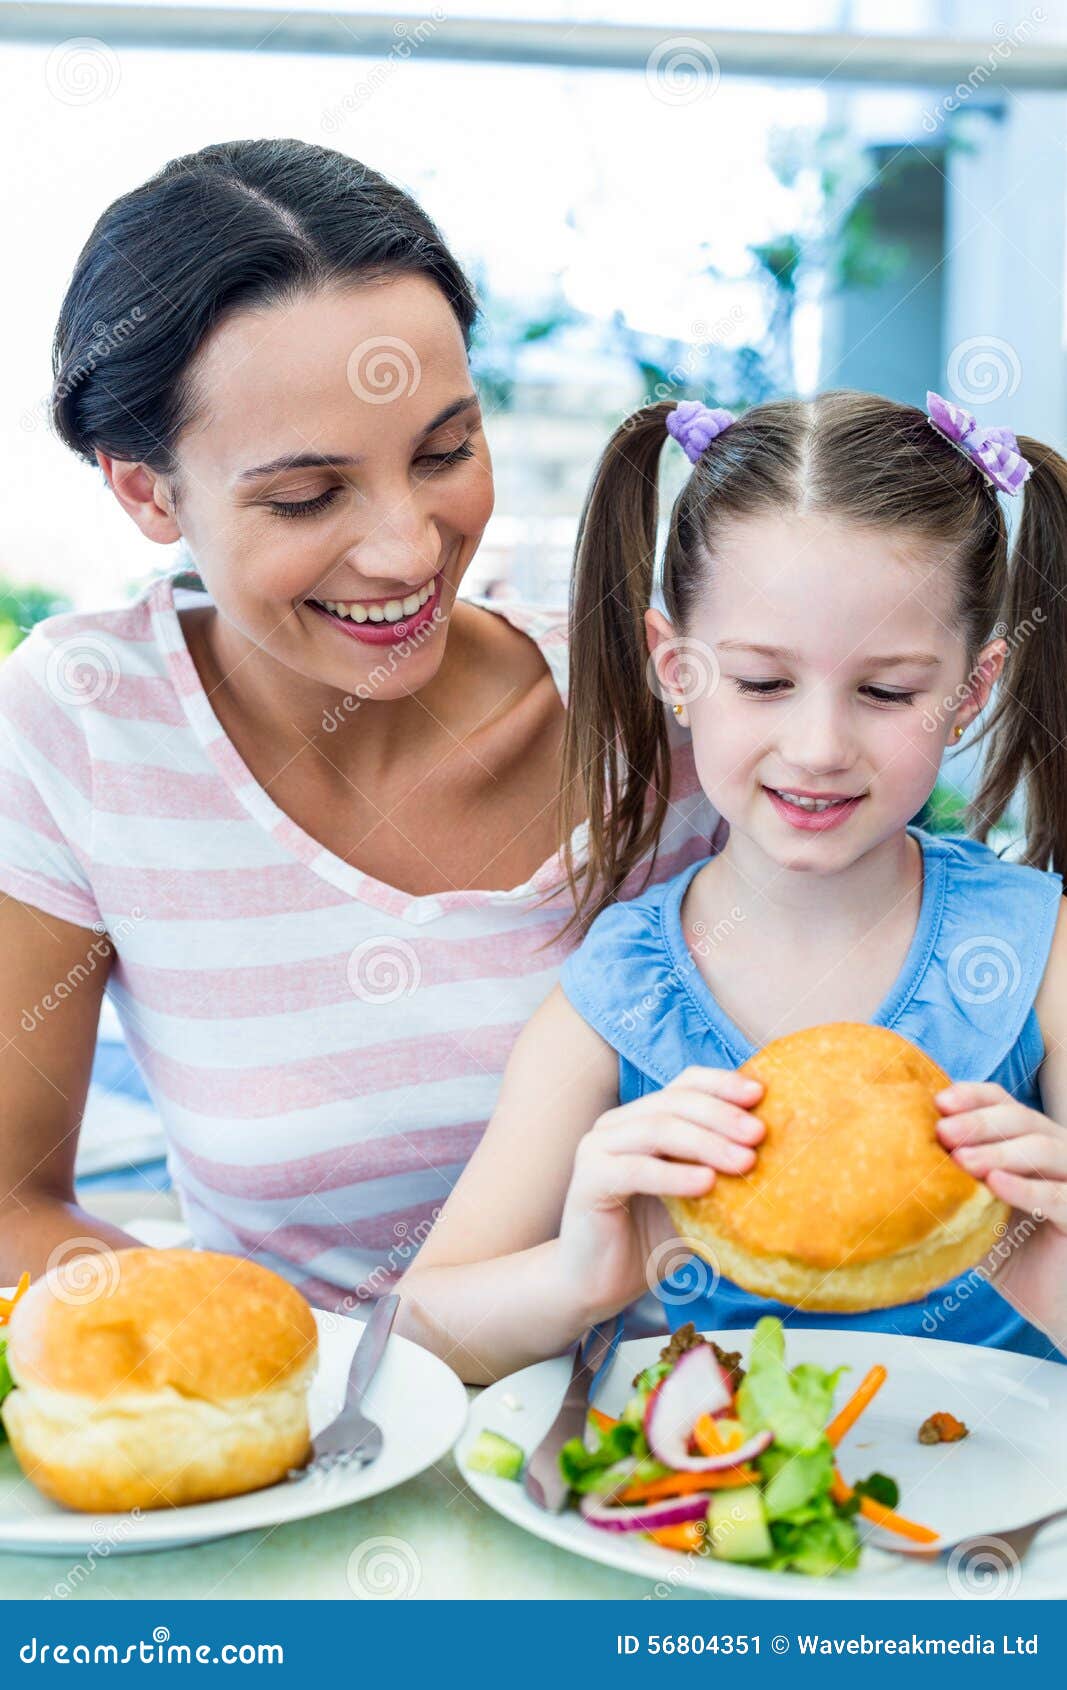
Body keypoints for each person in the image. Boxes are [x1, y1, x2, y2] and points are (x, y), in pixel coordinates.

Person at [0, 140, 717, 1305]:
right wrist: (271, 1364)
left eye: (445, 451)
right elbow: (10, 1199)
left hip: (673, 1437)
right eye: (304, 495)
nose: (408, 548)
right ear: (143, 488)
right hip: (309, 1458)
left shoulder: (673, 707)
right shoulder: (84, 722)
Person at [397, 388, 1067, 1382]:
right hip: (694, 1521)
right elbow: (416, 1329)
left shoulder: (1037, 948)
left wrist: (1039, 1260)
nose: (817, 746)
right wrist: (582, 1274)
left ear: (969, 691)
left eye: (885, 692)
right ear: (677, 666)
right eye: (760, 682)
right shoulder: (620, 990)